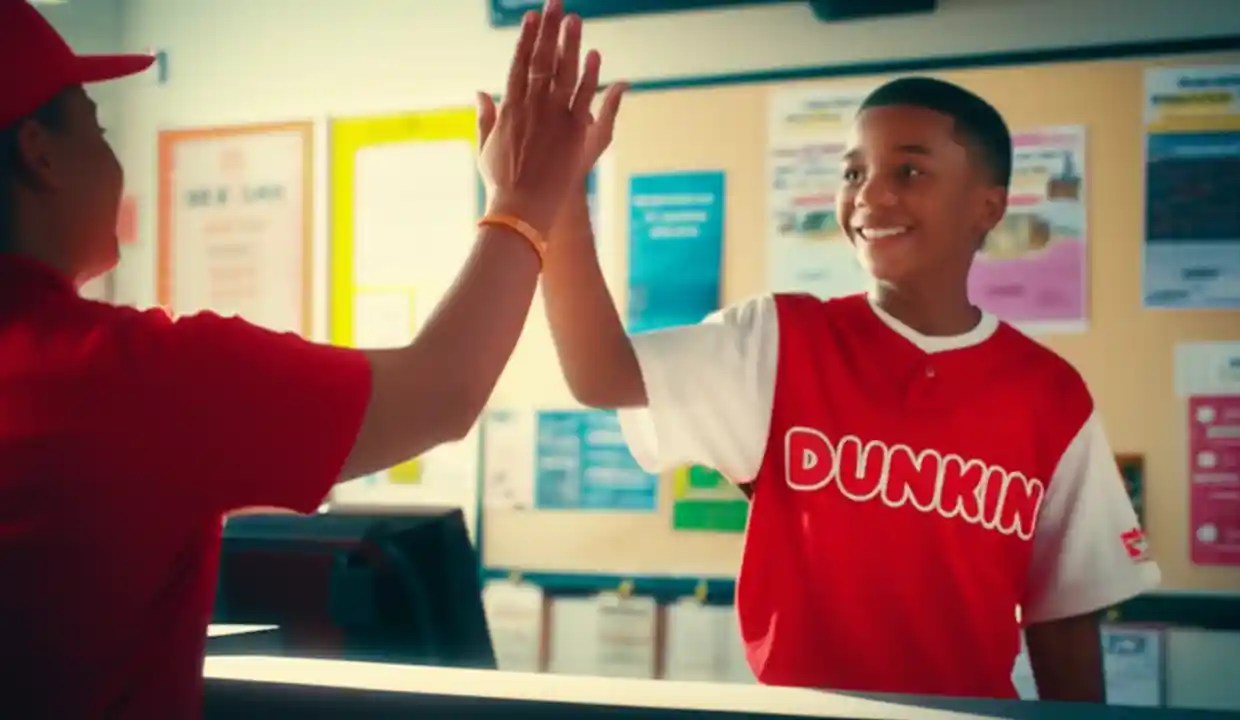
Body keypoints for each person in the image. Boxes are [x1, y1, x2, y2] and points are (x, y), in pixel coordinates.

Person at [0, 0, 607, 716]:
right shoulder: (132, 377)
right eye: (98, 130)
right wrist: (525, 197)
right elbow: (441, 391)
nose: (114, 161)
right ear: (40, 155)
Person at [542, 75, 1160, 701]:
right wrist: (562, 195)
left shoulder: (1049, 395)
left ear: (987, 207)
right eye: (853, 173)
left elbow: (1064, 618)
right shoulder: (777, 340)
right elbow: (601, 374)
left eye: (909, 172)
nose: (870, 195)